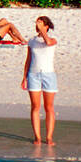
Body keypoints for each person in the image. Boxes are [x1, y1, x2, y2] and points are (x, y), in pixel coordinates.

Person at [21, 16, 58, 145]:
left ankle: (49, 137)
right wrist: (24, 77)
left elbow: (47, 42)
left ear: (46, 26)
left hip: (49, 75)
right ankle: (37, 136)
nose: (37, 25)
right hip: (33, 74)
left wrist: (42, 30)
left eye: (41, 23)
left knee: (49, 107)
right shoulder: (32, 41)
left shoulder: (52, 40)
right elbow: (28, 60)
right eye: (37, 23)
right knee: (35, 107)